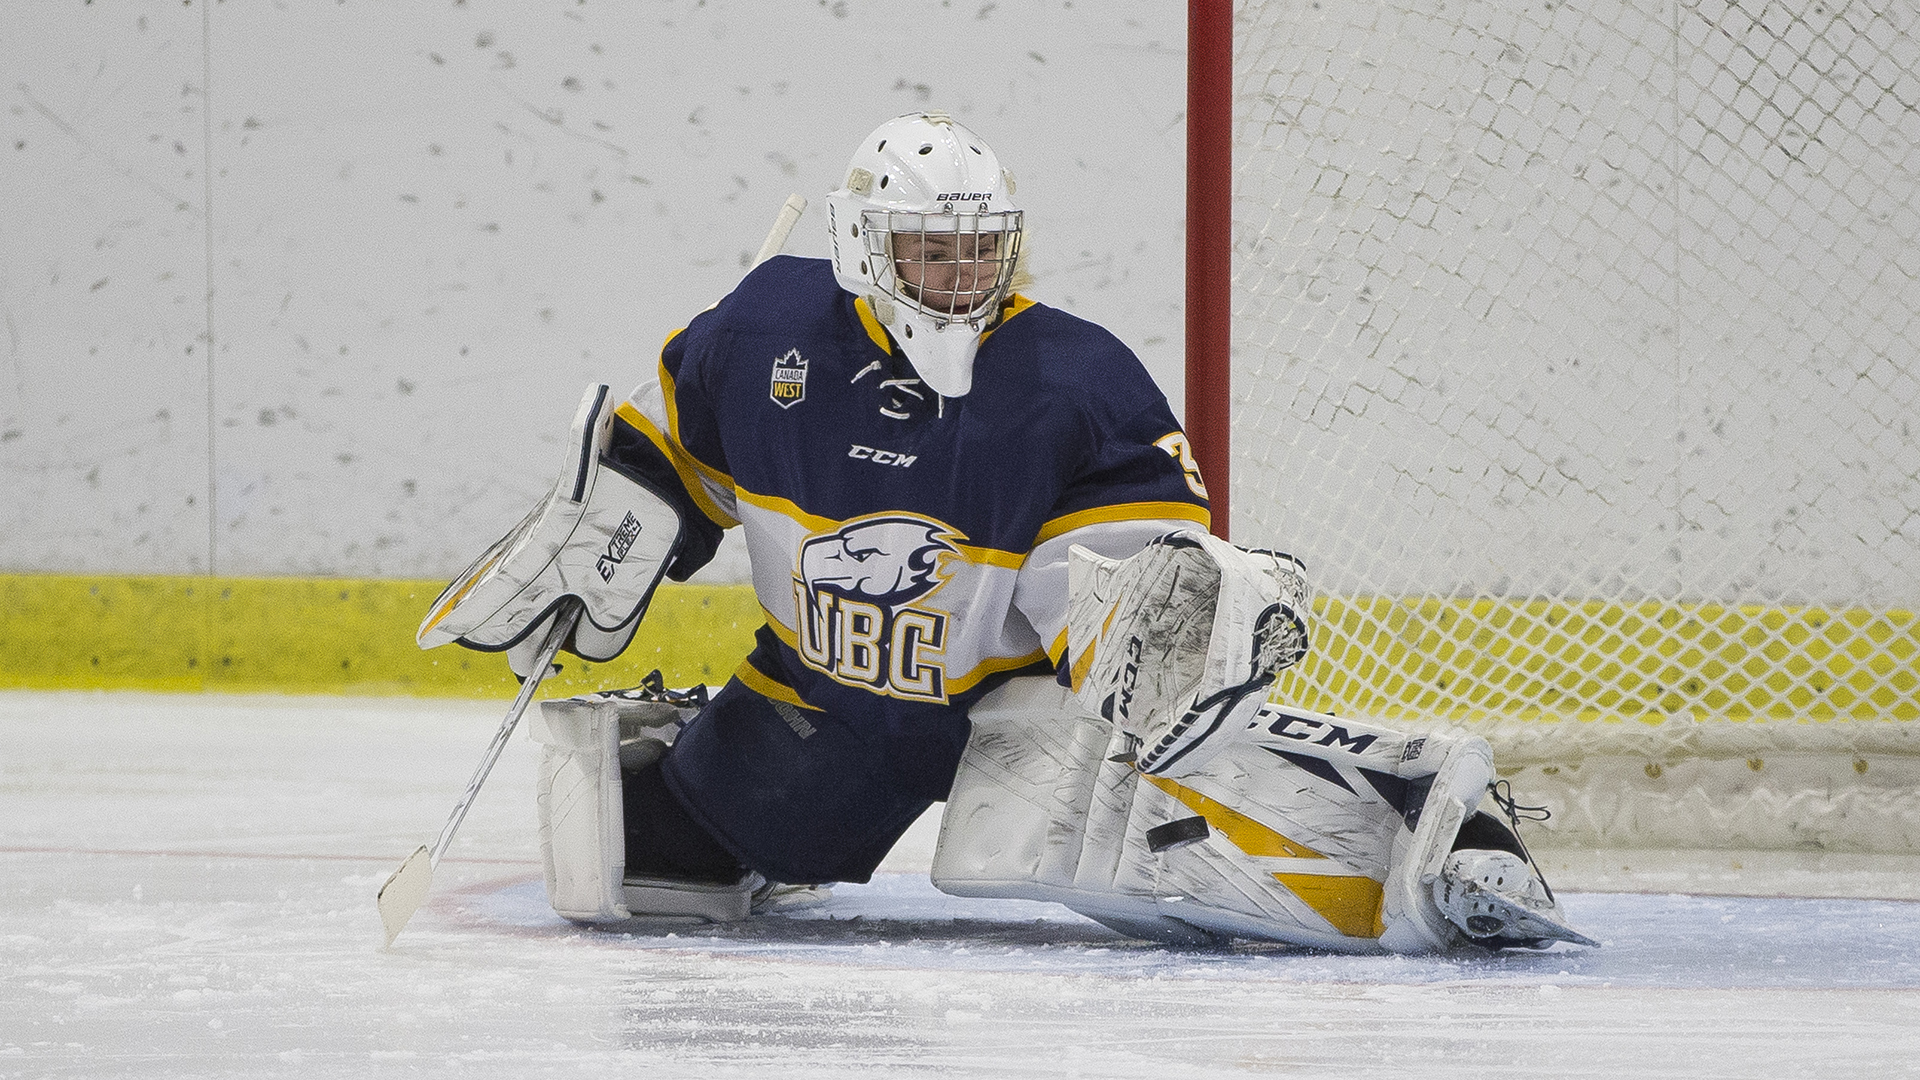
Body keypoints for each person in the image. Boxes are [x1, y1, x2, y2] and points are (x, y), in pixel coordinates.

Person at [417, 112, 1593, 953]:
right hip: (820, 707)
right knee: (625, 872)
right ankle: (728, 793)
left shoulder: (1071, 379)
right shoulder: (762, 327)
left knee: (1092, 848)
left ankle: (1433, 827)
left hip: (1012, 714)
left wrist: (1144, 682)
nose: (962, 270)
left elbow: (1130, 599)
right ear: (864, 247)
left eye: (981, 245)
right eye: (933, 247)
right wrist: (613, 534)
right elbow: (677, 461)